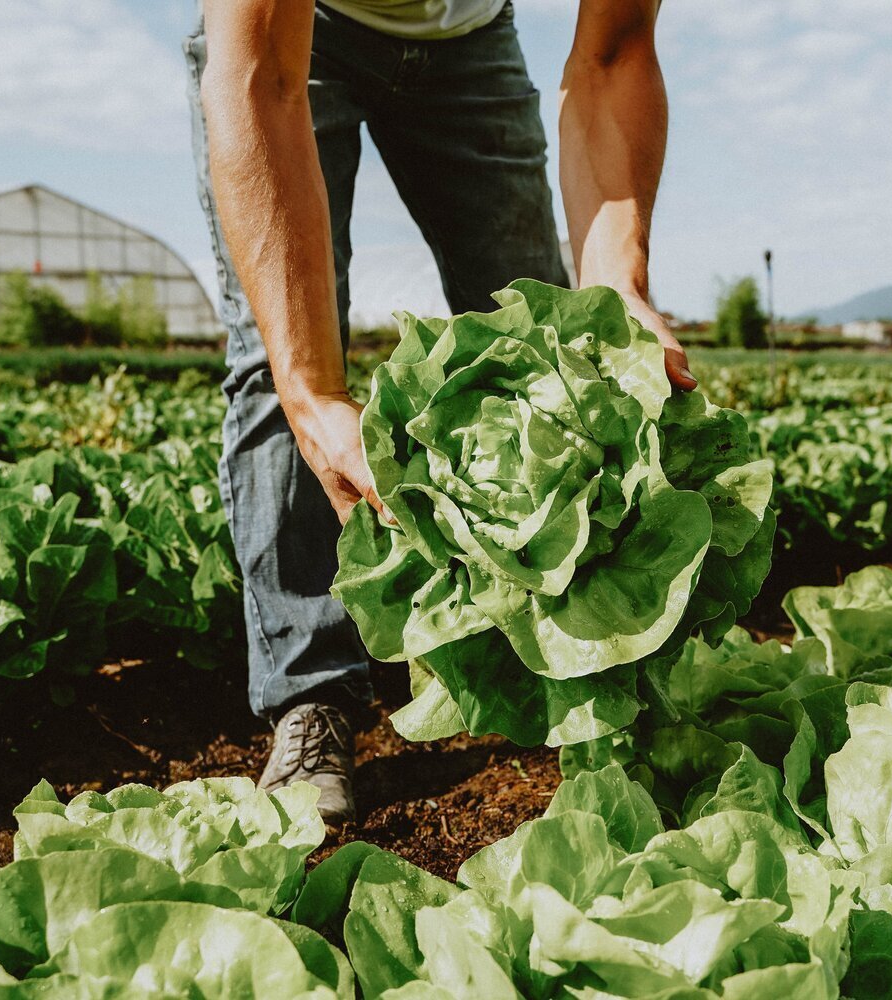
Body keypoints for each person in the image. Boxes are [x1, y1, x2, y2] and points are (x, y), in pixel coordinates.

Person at [184, 0, 693, 824]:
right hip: (299, 35)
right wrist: (313, 392)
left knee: (545, 342)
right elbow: (261, 79)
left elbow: (614, 54)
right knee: (280, 360)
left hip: (469, 39)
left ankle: (581, 671)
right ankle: (311, 698)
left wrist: (618, 286)